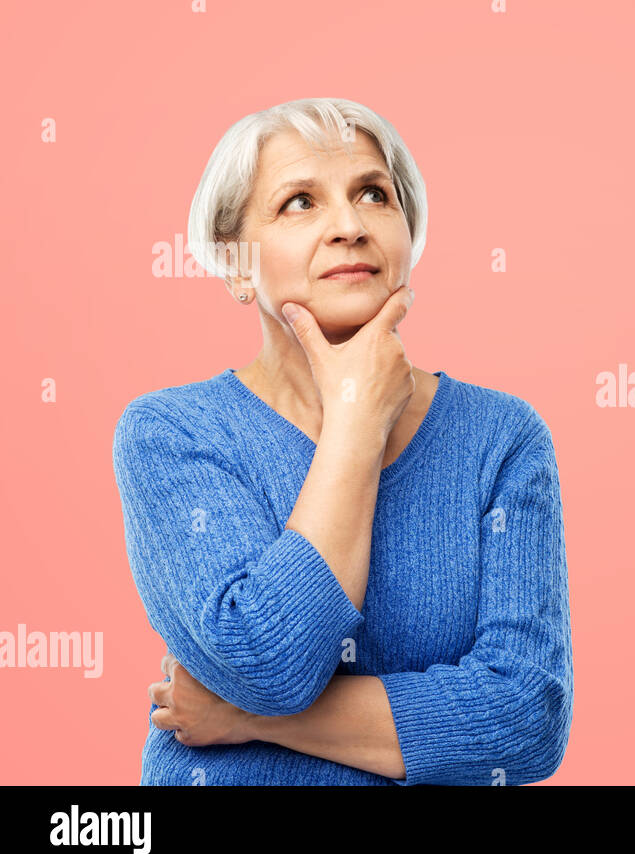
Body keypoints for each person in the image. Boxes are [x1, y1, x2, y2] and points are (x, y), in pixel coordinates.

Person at [111, 97, 573, 785]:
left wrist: (248, 718)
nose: (350, 226)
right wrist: (358, 419)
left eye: (373, 194)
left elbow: (525, 718)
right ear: (238, 264)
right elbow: (268, 661)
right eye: (300, 202)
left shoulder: (501, 438)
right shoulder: (171, 432)